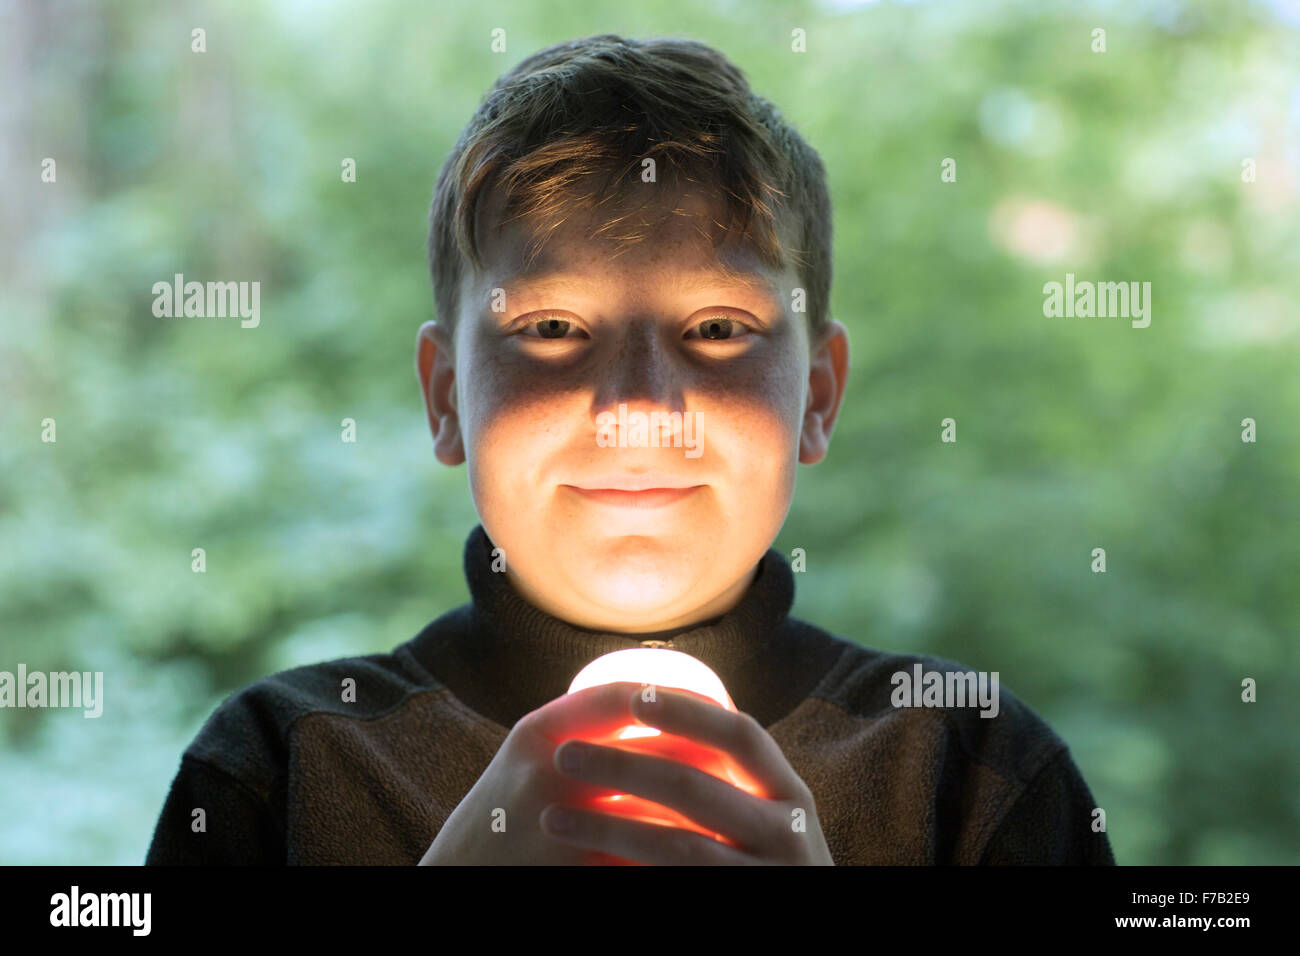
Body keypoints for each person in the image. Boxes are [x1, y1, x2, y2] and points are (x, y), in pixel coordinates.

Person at [145, 33, 1114, 865]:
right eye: (555, 326)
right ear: (445, 395)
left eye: (720, 327)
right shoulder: (282, 768)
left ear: (817, 393)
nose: (640, 406)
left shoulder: (971, 771)